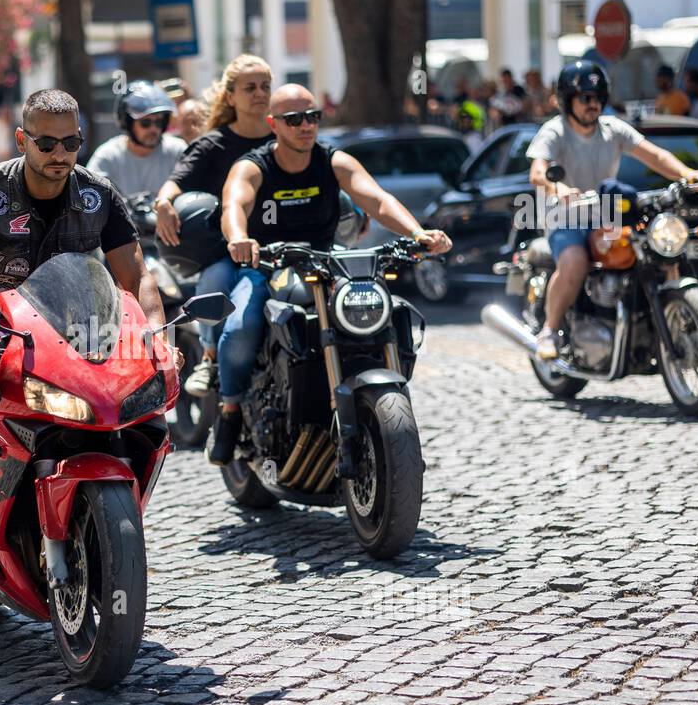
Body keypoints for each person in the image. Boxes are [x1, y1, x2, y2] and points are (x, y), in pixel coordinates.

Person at [0, 88, 172, 516]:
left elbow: (136, 275)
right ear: (23, 140)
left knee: (137, 414)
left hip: (78, 329)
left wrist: (155, 335)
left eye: (70, 143)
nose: (59, 154)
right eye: (46, 144)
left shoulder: (100, 195)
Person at [206, 85, 452, 465]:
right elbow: (233, 204)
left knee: (383, 305)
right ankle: (230, 410)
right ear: (274, 124)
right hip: (267, 264)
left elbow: (377, 198)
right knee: (239, 328)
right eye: (294, 119)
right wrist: (239, 238)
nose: (306, 126)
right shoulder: (253, 166)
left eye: (313, 117)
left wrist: (417, 233)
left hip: (326, 258)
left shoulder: (334, 161)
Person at [526, 60, 698, 360]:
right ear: (566, 100)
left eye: (599, 97)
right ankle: (549, 330)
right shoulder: (555, 131)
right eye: (586, 97)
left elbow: (653, 155)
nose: (594, 104)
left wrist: (685, 173)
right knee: (574, 260)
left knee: (652, 253)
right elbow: (538, 171)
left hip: (608, 216)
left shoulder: (613, 129)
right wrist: (558, 189)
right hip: (566, 218)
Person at [152, 54, 275, 398]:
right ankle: (209, 358)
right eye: (250, 87)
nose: (259, 93)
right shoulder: (212, 144)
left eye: (265, 86)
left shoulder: (286, 139)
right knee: (216, 282)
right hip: (230, 251)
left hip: (286, 249)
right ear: (230, 95)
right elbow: (177, 181)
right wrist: (164, 203)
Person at [85, 81, 187, 200]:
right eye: (145, 123)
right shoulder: (108, 155)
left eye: (159, 122)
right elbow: (90, 193)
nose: (154, 129)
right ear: (128, 123)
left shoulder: (177, 150)